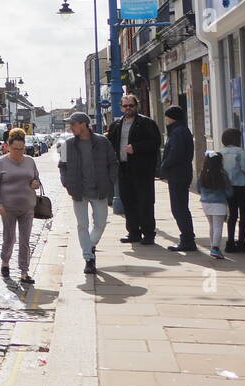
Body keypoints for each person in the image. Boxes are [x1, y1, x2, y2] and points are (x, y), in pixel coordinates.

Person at [58, 112, 117, 275]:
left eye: (73, 124)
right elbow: (62, 165)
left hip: (99, 190)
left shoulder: (103, 142)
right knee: (82, 225)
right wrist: (66, 181)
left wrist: (110, 181)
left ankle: (89, 245)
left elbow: (113, 163)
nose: (70, 128)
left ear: (83, 124)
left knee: (100, 223)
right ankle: (88, 258)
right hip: (78, 191)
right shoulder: (66, 145)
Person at [106, 94, 161, 246]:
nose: (128, 108)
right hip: (123, 168)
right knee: (128, 202)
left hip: (142, 169)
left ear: (136, 106)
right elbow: (110, 144)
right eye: (125, 106)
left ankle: (149, 233)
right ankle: (133, 232)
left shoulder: (146, 123)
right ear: (121, 107)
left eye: (131, 105)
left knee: (145, 202)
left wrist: (136, 148)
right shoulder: (116, 124)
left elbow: (155, 142)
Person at [0, 127, 41, 284]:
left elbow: (37, 180)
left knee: (25, 240)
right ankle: (5, 262)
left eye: (21, 149)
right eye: (15, 149)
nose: (18, 152)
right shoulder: (0, 162)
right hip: (8, 207)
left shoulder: (30, 161)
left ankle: (24, 272)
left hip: (27, 206)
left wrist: (35, 183)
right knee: (9, 237)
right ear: (8, 146)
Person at [159, 106, 197, 252]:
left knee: (178, 208)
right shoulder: (181, 130)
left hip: (178, 174)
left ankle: (187, 240)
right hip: (181, 172)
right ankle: (187, 238)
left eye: (167, 116)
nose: (166, 119)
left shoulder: (177, 132)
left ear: (171, 117)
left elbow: (176, 153)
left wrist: (164, 166)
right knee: (181, 207)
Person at [219, 128, 245, 253]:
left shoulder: (221, 152)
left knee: (232, 214)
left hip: (228, 187)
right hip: (241, 186)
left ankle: (230, 242)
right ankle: (240, 242)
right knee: (243, 215)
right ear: (235, 139)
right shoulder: (240, 152)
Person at [197, 152, 231, 260]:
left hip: (206, 203)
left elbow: (198, 188)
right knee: (218, 226)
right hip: (219, 203)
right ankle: (215, 248)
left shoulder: (203, 173)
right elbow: (229, 191)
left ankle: (213, 247)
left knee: (212, 226)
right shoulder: (222, 174)